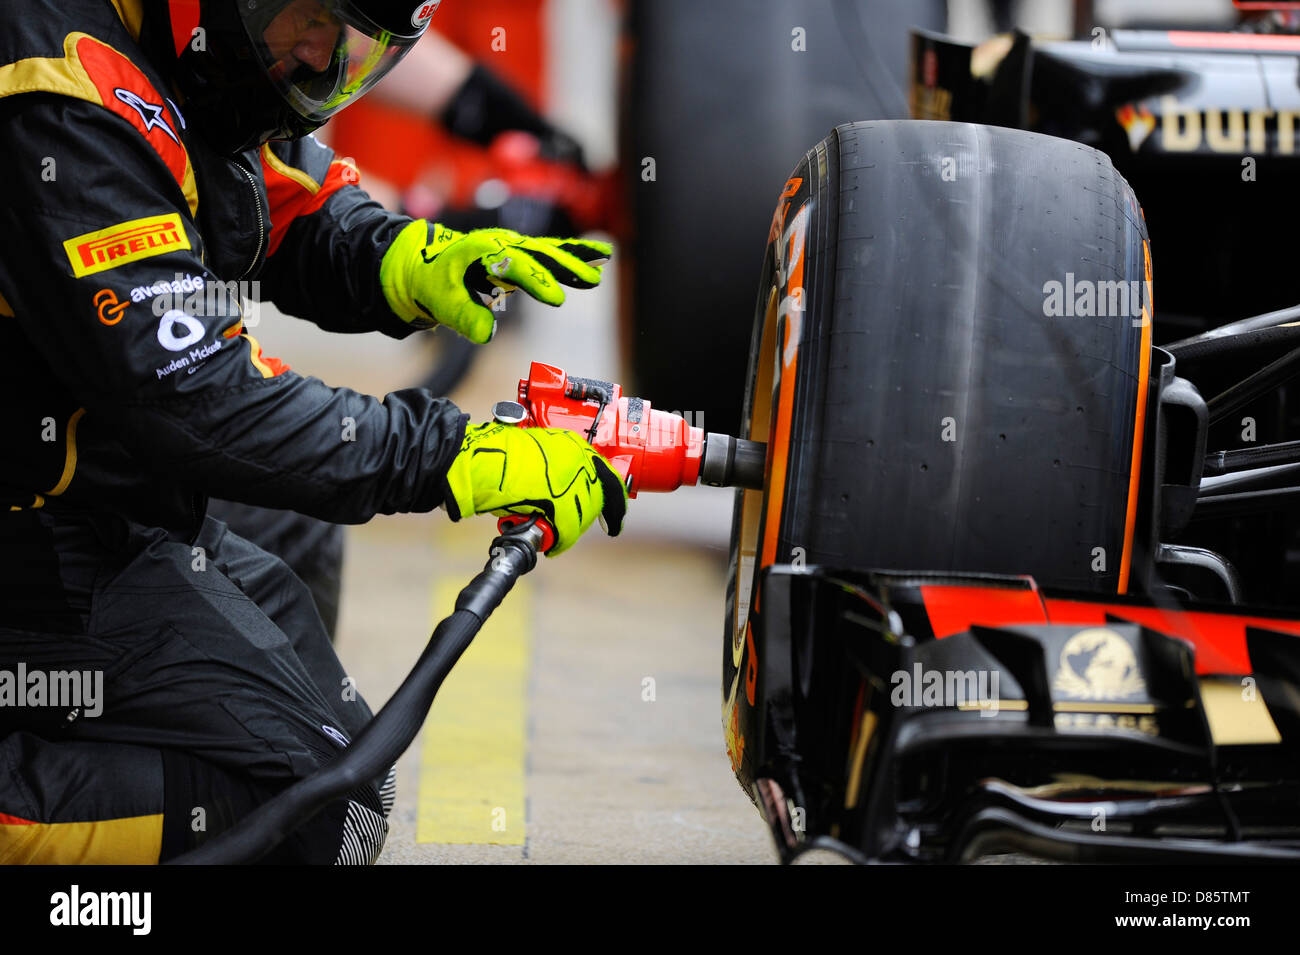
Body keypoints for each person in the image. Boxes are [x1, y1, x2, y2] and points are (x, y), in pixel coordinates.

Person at [0, 0, 625, 864]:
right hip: (37, 528)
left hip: (85, 486)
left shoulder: (189, 47)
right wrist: (447, 454)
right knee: (322, 810)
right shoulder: (56, 90)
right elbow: (194, 398)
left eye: (350, 47)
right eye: (305, 18)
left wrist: (404, 256)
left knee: (300, 551)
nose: (314, 57)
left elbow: (273, 199)